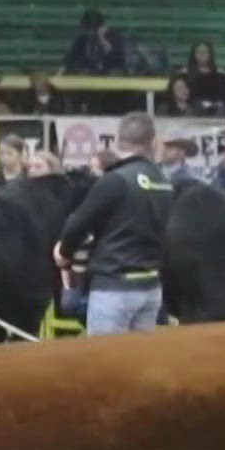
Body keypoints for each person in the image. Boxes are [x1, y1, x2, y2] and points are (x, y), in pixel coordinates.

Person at [55, 112, 171, 335]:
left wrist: (65, 252)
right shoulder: (163, 181)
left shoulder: (115, 180)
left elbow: (78, 225)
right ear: (153, 141)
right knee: (139, 364)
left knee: (104, 365)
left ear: (119, 140)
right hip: (151, 286)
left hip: (114, 287)